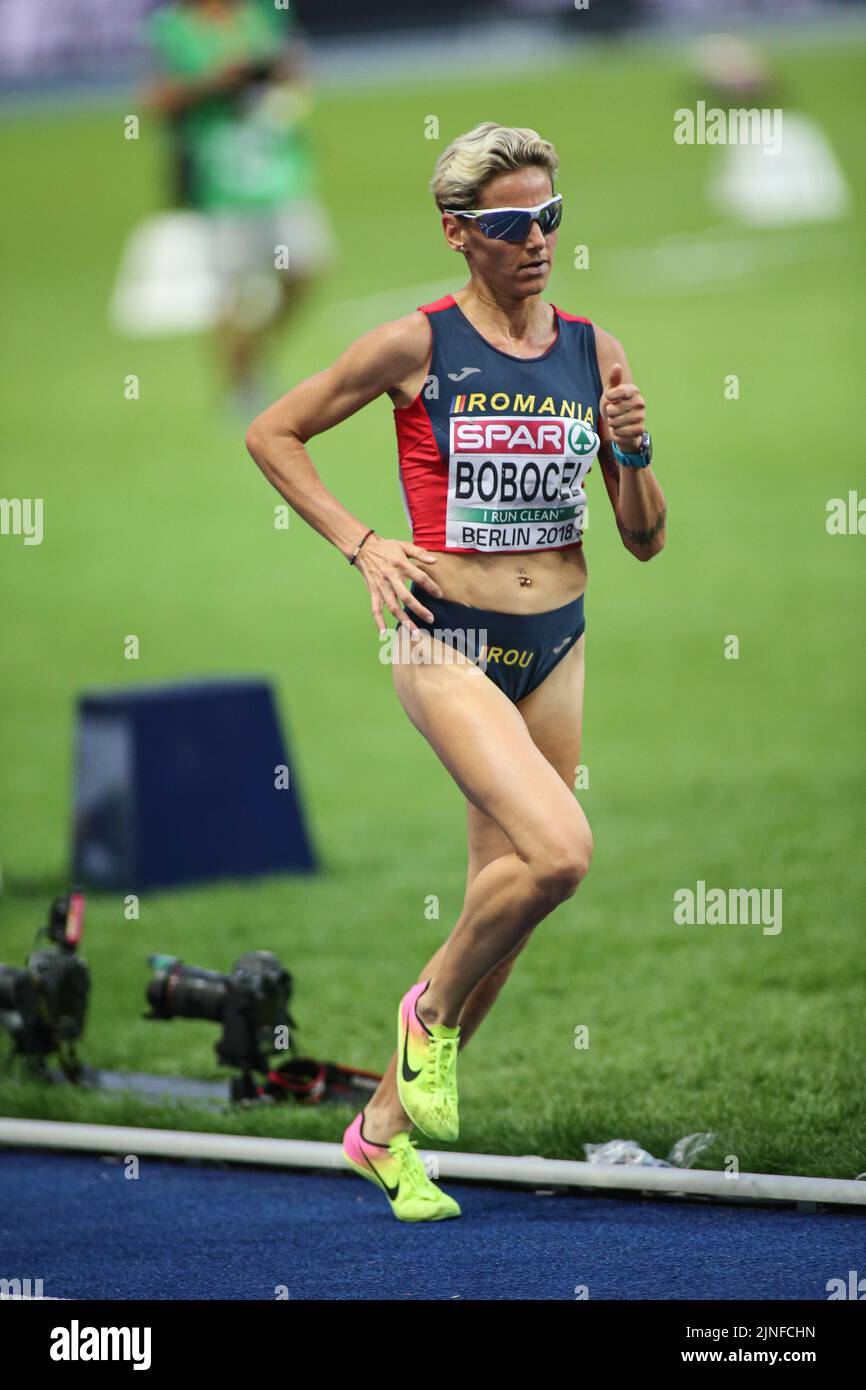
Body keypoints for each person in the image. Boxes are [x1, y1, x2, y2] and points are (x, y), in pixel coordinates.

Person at [246, 123, 667, 1222]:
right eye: (509, 223)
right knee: (562, 854)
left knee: (509, 908)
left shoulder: (595, 348)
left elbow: (643, 539)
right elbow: (274, 431)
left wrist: (631, 449)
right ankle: (424, 1014)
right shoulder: (413, 344)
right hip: (438, 634)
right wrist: (360, 541)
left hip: (557, 641)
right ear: (457, 234)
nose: (537, 239)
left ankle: (379, 1130)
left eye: (549, 217)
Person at [144, 0, 334, 409]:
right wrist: (215, 80)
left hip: (279, 168)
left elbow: (295, 70)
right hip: (219, 178)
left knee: (305, 271)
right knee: (231, 293)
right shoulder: (173, 28)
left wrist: (275, 78)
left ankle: (254, 354)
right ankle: (237, 386)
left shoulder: (262, 13)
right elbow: (157, 101)